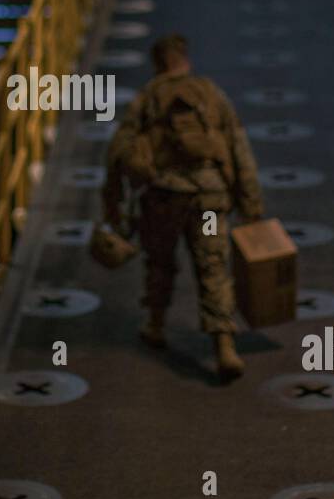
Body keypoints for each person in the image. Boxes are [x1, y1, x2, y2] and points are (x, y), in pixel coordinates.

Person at [105, 34, 264, 379]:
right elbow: (239, 147)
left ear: (157, 63)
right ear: (185, 58)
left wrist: (113, 207)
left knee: (160, 262)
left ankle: (156, 324)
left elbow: (119, 149)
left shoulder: (147, 98)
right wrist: (251, 203)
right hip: (209, 199)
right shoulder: (211, 94)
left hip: (164, 198)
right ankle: (224, 347)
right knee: (213, 266)